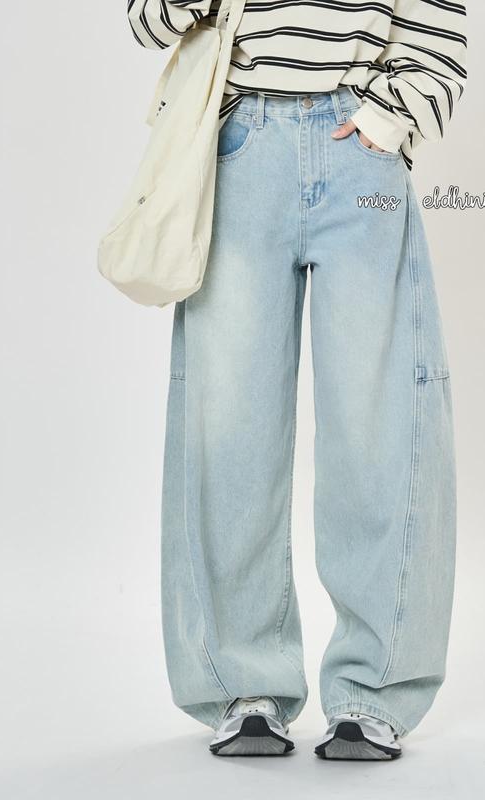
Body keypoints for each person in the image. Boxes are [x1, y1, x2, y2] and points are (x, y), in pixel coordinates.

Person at [127, 0, 467, 760]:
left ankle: (374, 691)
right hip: (238, 148)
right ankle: (243, 685)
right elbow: (147, 20)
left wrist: (389, 121)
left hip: (362, 151)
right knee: (230, 424)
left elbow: (439, 21)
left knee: (380, 422)